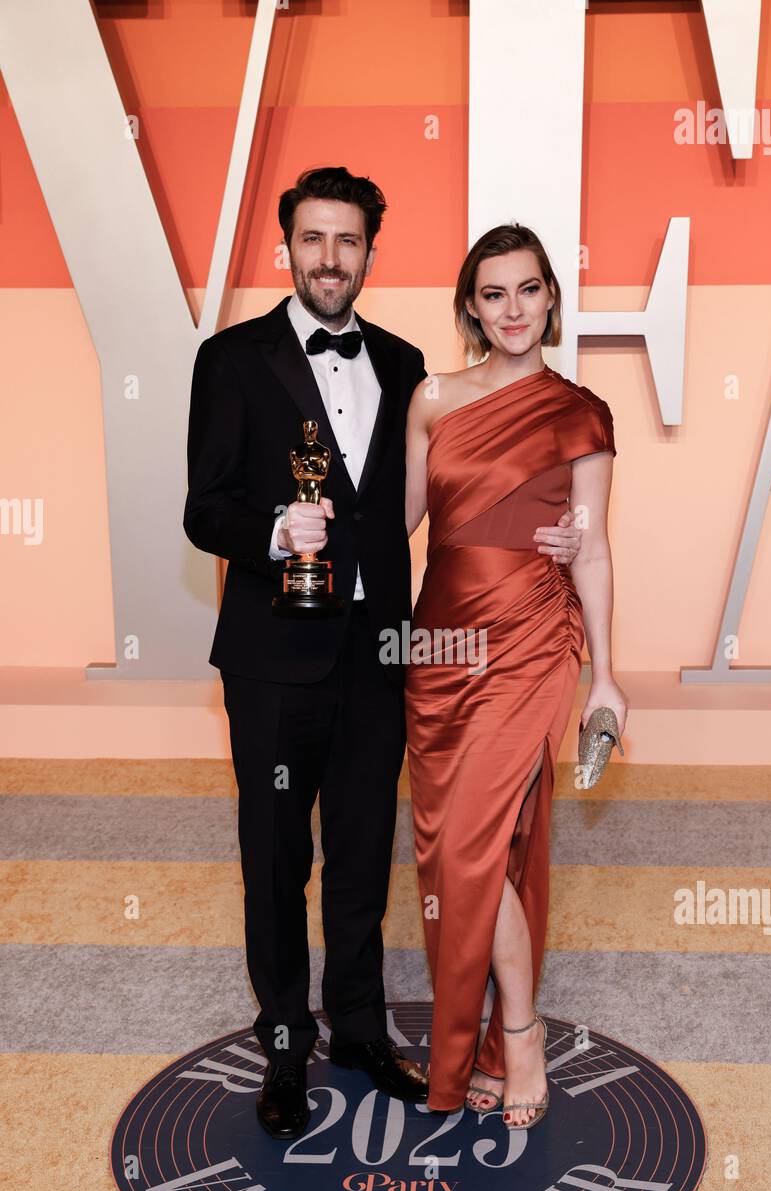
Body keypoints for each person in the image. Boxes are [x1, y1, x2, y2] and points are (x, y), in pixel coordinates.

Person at [184, 169, 583, 1139]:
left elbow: (450, 489)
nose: (331, 257)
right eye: (314, 239)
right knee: (276, 857)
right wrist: (279, 530)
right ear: (287, 248)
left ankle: (358, 1027)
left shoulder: (409, 365)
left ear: (369, 252)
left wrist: (549, 532)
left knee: (365, 852)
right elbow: (205, 509)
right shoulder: (230, 358)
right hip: (273, 657)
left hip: (384, 654)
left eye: (349, 241)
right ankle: (284, 1041)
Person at [404, 223, 629, 1129]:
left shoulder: (580, 411)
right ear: (469, 305)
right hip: (437, 644)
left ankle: (520, 1035)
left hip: (531, 639)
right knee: (457, 847)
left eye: (528, 290)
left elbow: (595, 545)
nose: (512, 310)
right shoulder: (433, 399)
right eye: (493, 294)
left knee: (470, 842)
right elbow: (398, 526)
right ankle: (488, 1039)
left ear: (550, 298)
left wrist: (606, 678)